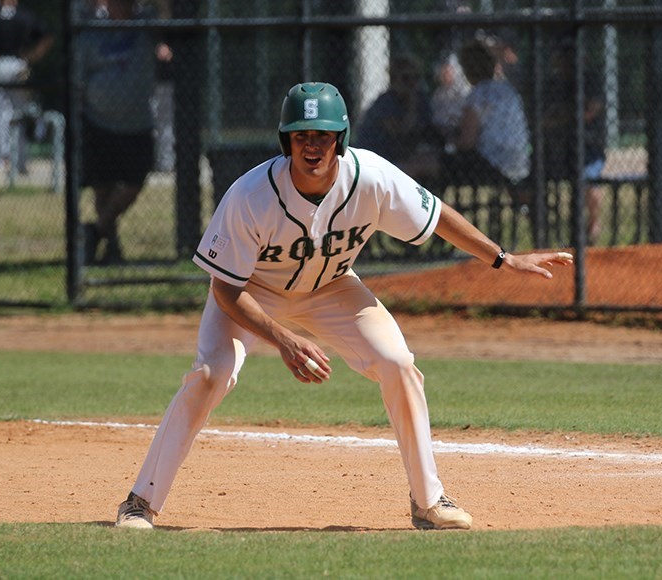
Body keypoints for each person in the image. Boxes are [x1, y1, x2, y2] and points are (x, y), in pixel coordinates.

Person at [113, 82, 573, 531]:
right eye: (301, 136)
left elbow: (435, 216)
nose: (312, 146)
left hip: (333, 288)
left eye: (322, 136)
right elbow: (225, 292)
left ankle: (429, 500)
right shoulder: (250, 196)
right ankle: (140, 502)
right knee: (212, 374)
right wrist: (282, 338)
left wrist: (502, 257)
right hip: (253, 294)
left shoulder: (370, 177)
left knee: (398, 363)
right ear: (286, 141)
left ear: (341, 139)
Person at [78, 0, 161, 265]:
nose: (124, 5)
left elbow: (164, 8)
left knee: (135, 181)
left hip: (137, 123)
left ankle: (94, 230)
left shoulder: (145, 26)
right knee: (102, 189)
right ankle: (111, 249)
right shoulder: (91, 33)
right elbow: (79, 78)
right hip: (98, 122)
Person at [541, 37, 608, 246]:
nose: (563, 63)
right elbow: (542, 120)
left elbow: (589, 111)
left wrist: (561, 116)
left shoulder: (591, 80)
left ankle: (592, 227)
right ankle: (548, 234)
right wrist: (565, 115)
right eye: (561, 58)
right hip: (557, 150)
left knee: (589, 179)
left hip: (589, 148)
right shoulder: (553, 84)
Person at [442, 37, 531, 188]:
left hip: (492, 164)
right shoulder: (508, 89)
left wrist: (448, 142)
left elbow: (467, 142)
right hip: (521, 162)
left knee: (429, 162)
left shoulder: (478, 94)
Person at [0, 0, 53, 175]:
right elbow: (47, 36)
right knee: (20, 114)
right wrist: (31, 57)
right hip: (18, 66)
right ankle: (20, 163)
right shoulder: (25, 16)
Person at [355, 56, 441, 183]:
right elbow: (401, 133)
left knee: (433, 162)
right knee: (416, 167)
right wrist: (412, 104)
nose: (412, 83)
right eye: (406, 78)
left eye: (416, 78)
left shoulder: (422, 100)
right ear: (393, 79)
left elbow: (429, 130)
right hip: (378, 158)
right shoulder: (385, 102)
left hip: (405, 156)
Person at [429, 52, 470, 145]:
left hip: (459, 130)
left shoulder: (464, 90)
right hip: (440, 132)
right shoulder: (439, 93)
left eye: (449, 69)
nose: (445, 73)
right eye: (442, 70)